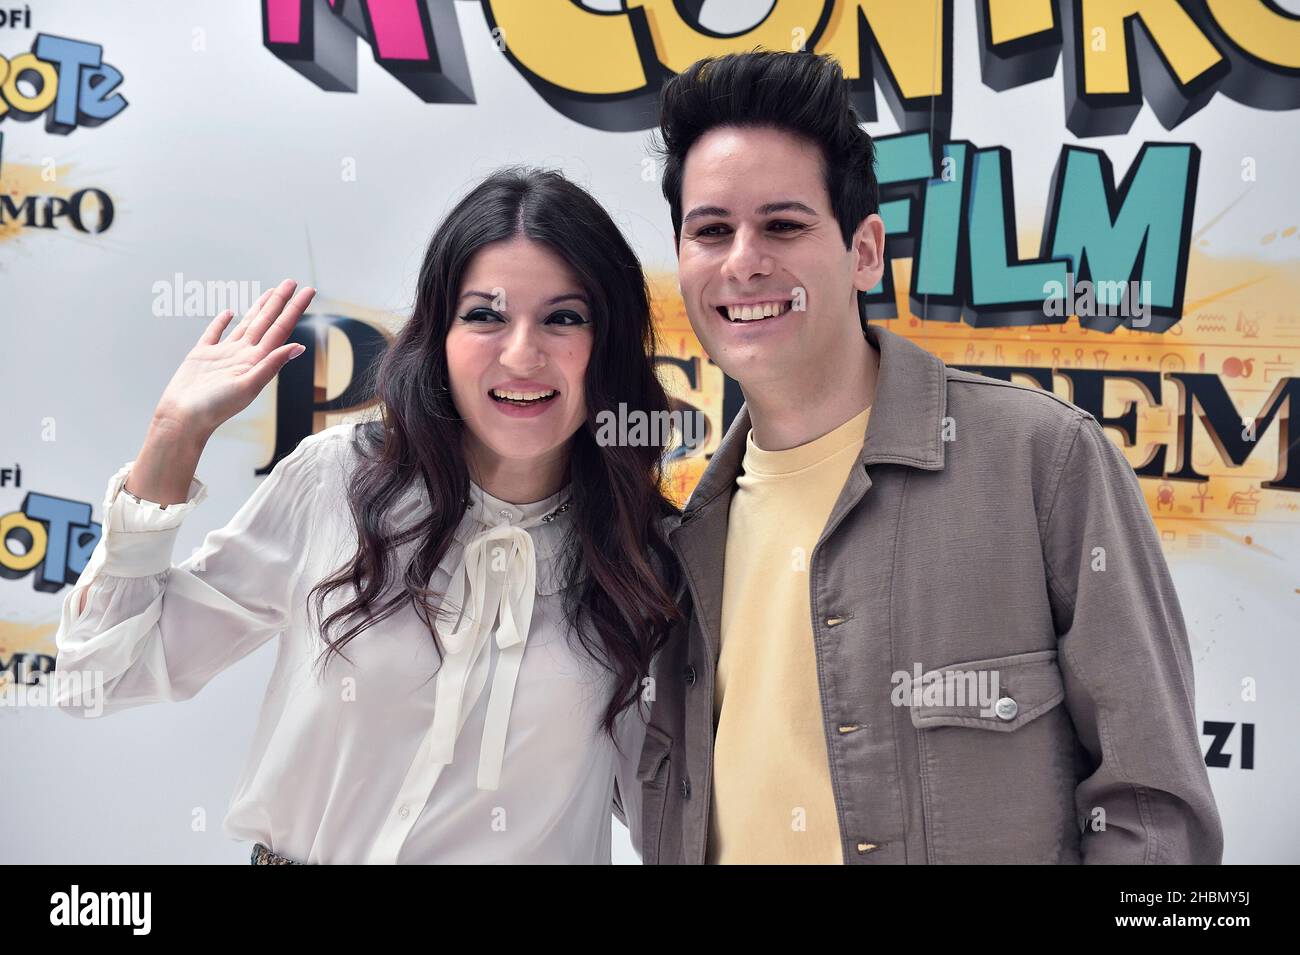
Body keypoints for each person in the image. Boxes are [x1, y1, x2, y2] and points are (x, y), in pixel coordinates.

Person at [638, 50, 1223, 864]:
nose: (743, 260)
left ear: (865, 252)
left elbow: (1155, 815)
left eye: (783, 224)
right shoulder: (680, 536)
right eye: (711, 230)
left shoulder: (1042, 462)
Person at [53, 167, 681, 864]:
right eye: (485, 315)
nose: (522, 353)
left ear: (610, 342)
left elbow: (674, 817)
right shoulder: (343, 482)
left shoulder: (641, 560)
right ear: (438, 335)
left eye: (564, 317)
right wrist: (173, 438)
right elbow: (101, 674)